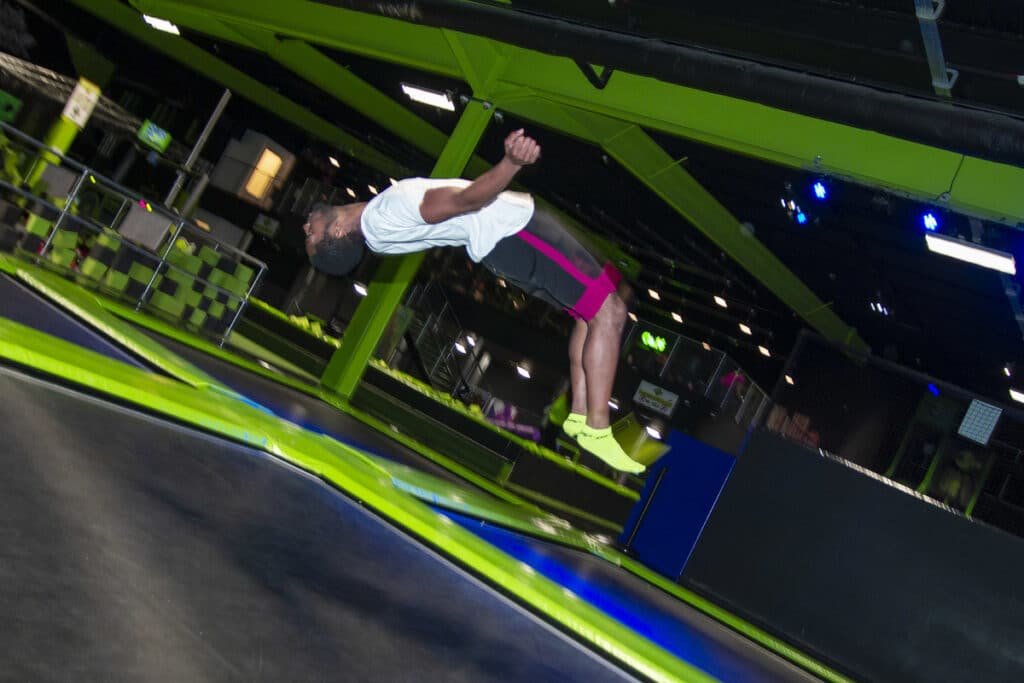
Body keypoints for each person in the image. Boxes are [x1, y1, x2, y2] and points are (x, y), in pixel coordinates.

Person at [304, 129, 644, 474]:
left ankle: (581, 416)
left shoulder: (377, 236)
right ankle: (598, 426)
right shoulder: (383, 216)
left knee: (590, 313)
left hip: (506, 241)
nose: (307, 226)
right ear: (337, 233)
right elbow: (464, 201)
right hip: (514, 232)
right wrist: (511, 163)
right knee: (609, 311)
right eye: (312, 236)